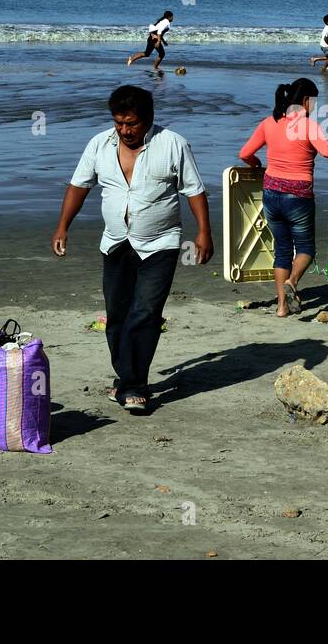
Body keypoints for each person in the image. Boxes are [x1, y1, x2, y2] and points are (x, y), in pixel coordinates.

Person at [52, 85, 212, 413]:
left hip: (162, 243)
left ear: (148, 119)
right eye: (119, 123)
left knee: (146, 313)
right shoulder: (99, 144)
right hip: (115, 243)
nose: (125, 131)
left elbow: (194, 191)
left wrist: (204, 233)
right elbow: (78, 186)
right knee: (117, 316)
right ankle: (125, 378)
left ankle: (134, 386)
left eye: (132, 124)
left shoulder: (173, 144)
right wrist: (62, 227)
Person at [238, 78, 328, 318]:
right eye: (314, 101)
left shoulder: (269, 123)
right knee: (306, 248)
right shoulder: (307, 125)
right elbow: (327, 151)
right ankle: (293, 281)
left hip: (271, 194)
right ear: (306, 100)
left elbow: (245, 153)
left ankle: (282, 307)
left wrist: (255, 164)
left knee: (282, 250)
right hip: (298, 196)